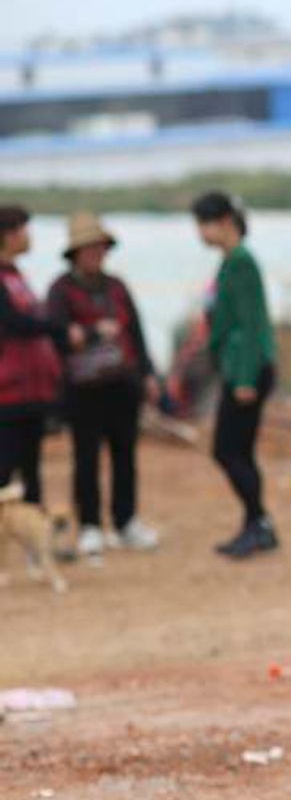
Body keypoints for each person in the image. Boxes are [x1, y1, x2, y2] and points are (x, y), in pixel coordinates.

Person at [46, 213, 161, 557]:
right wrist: (92, 333)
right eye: (89, 248)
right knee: (86, 458)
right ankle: (90, 525)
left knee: (125, 455)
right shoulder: (60, 290)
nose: (96, 254)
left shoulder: (117, 287)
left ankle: (126, 521)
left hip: (122, 385)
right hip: (82, 390)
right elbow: (57, 336)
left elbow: (136, 332)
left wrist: (148, 373)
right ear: (75, 253)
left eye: (100, 247)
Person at [191, 192, 279, 558]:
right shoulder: (231, 261)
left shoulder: (241, 261)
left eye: (204, 223)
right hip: (241, 367)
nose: (200, 232)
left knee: (228, 450)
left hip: (247, 370)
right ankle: (255, 524)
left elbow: (249, 324)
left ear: (226, 221)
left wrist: (244, 379)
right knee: (238, 450)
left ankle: (259, 522)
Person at [0, 205, 74, 506]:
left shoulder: (16, 275)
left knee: (30, 470)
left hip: (31, 389)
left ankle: (33, 529)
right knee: (5, 469)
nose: (29, 237)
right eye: (23, 230)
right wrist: (60, 327)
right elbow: (14, 322)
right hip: (7, 391)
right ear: (8, 235)